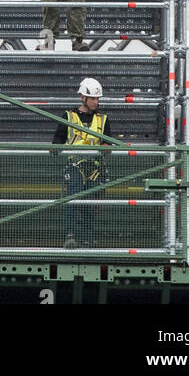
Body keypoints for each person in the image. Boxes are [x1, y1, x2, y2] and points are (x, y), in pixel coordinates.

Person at [52, 76, 111, 249]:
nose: (96, 102)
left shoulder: (102, 119)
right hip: (75, 165)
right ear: (83, 98)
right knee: (72, 199)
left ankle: (87, 239)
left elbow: (107, 141)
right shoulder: (68, 116)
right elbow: (58, 139)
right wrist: (55, 148)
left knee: (89, 203)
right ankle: (70, 236)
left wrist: (107, 147)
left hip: (94, 167)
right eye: (92, 98)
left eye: (97, 98)